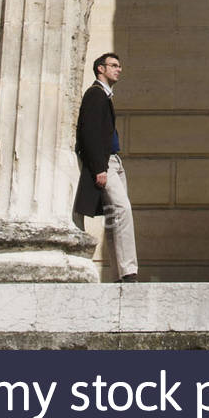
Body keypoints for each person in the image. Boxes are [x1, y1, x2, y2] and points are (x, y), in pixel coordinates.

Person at [73, 52, 139, 282]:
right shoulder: (95, 95)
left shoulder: (105, 96)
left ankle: (121, 273)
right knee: (122, 210)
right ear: (100, 69)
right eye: (113, 65)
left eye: (119, 66)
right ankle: (128, 271)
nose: (118, 69)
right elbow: (89, 133)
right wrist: (99, 167)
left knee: (113, 216)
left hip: (114, 161)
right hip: (105, 162)